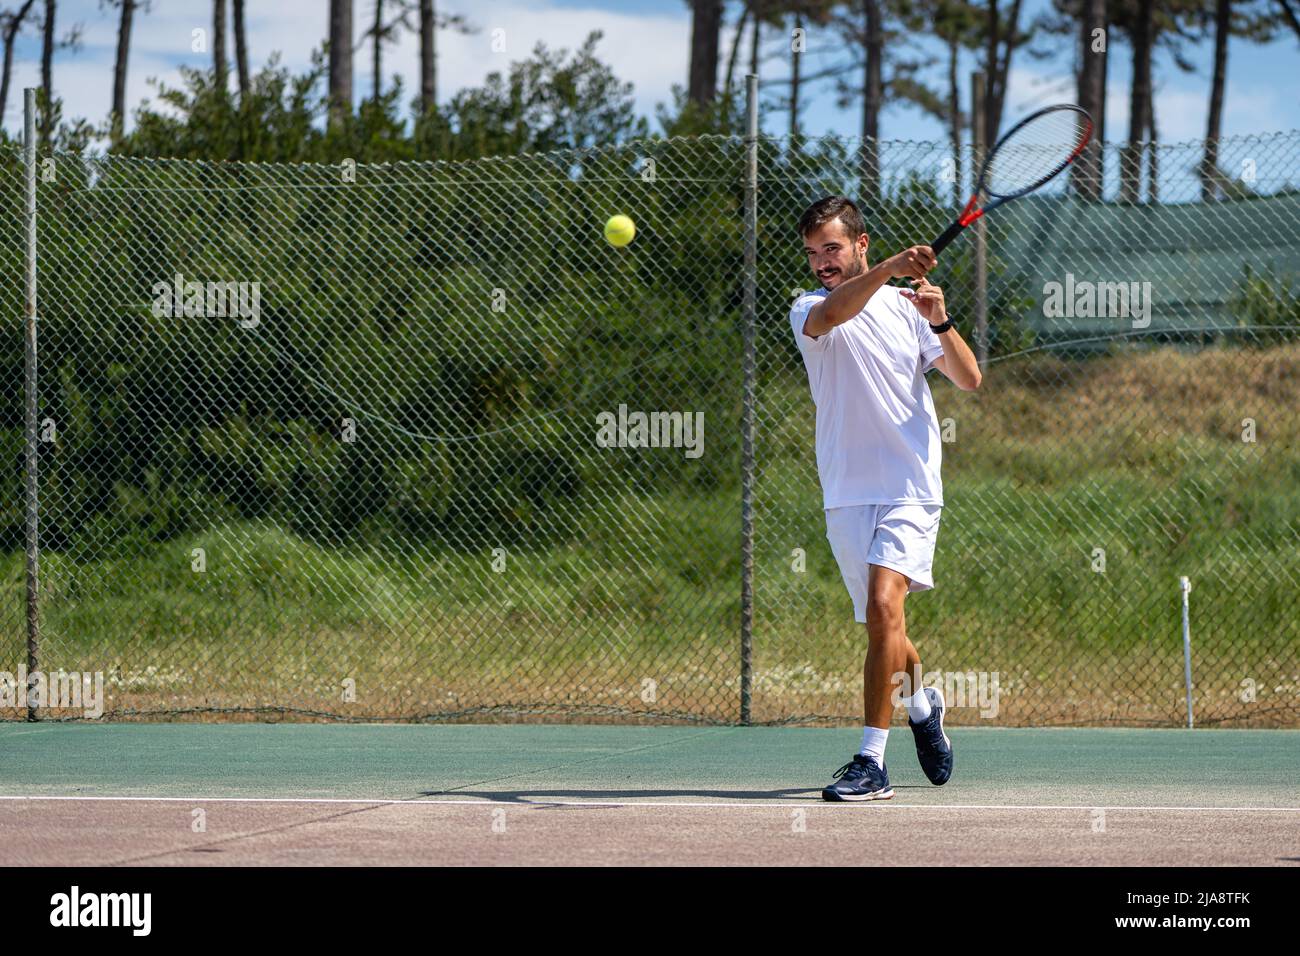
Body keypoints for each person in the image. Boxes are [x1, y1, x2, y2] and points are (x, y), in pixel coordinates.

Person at [788, 196, 982, 801]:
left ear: (860, 243)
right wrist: (887, 271)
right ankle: (922, 705)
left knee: (881, 604)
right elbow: (839, 313)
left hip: (910, 486)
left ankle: (871, 760)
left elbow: (970, 379)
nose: (822, 262)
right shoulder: (810, 308)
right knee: (884, 625)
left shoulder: (906, 308)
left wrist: (940, 319)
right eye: (814, 252)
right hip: (846, 490)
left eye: (833, 248)